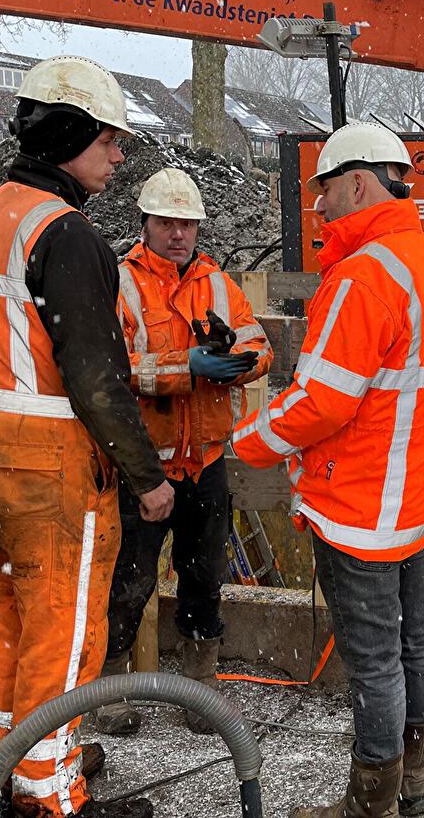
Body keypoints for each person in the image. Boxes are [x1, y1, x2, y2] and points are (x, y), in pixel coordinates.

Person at [0, 56, 172, 818]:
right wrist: (148, 478)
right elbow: (98, 382)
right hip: (40, 462)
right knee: (67, 632)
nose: (118, 157)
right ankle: (50, 798)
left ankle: (26, 756)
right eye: (109, 141)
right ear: (70, 133)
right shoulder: (68, 235)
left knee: (8, 611)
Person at [232, 123, 424, 818]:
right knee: (415, 638)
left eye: (326, 189)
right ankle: (413, 787)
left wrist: (244, 441)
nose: (319, 207)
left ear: (359, 182)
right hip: (417, 500)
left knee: (373, 658)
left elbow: (319, 403)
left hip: (362, 506)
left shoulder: (365, 276)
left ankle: (371, 803)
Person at [91, 168, 272, 736]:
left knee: (203, 578)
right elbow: (111, 373)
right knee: (129, 582)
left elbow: (258, 342)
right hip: (143, 467)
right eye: (166, 222)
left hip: (206, 463)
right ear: (144, 222)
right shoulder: (118, 283)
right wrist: (182, 369)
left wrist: (241, 363)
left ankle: (200, 690)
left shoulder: (218, 283)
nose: (177, 233)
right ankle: (109, 692)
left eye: (186, 223)